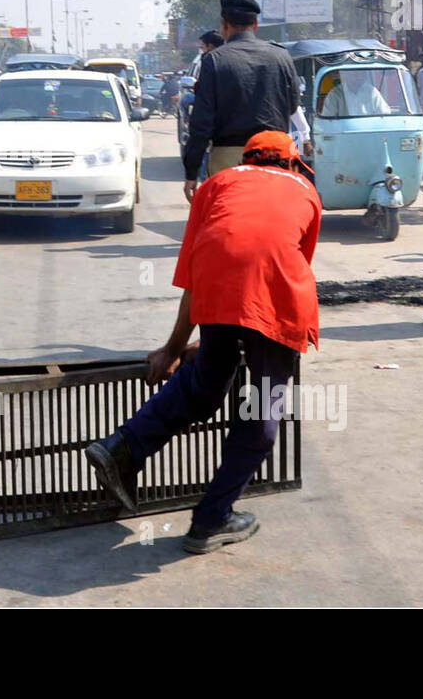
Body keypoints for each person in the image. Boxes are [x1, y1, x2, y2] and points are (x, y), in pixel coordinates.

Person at [85, 130, 320, 553]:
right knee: (262, 412)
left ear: (246, 159)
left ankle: (123, 446)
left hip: (217, 291)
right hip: (274, 301)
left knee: (209, 381)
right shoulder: (306, 189)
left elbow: (198, 273)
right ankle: (212, 520)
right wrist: (244, 331)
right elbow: (286, 269)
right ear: (289, 162)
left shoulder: (217, 184)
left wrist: (175, 348)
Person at [182, 0, 298, 199]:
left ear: (224, 25)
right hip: (276, 154)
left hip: (230, 159)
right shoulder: (282, 56)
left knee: (230, 223)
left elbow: (201, 124)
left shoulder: (214, 61)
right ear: (256, 24)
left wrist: (191, 172)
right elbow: (292, 106)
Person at [319, 70, 392, 117]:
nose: (358, 77)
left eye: (360, 73)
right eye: (354, 74)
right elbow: (328, 120)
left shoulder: (371, 91)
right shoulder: (335, 94)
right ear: (346, 75)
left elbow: (385, 114)